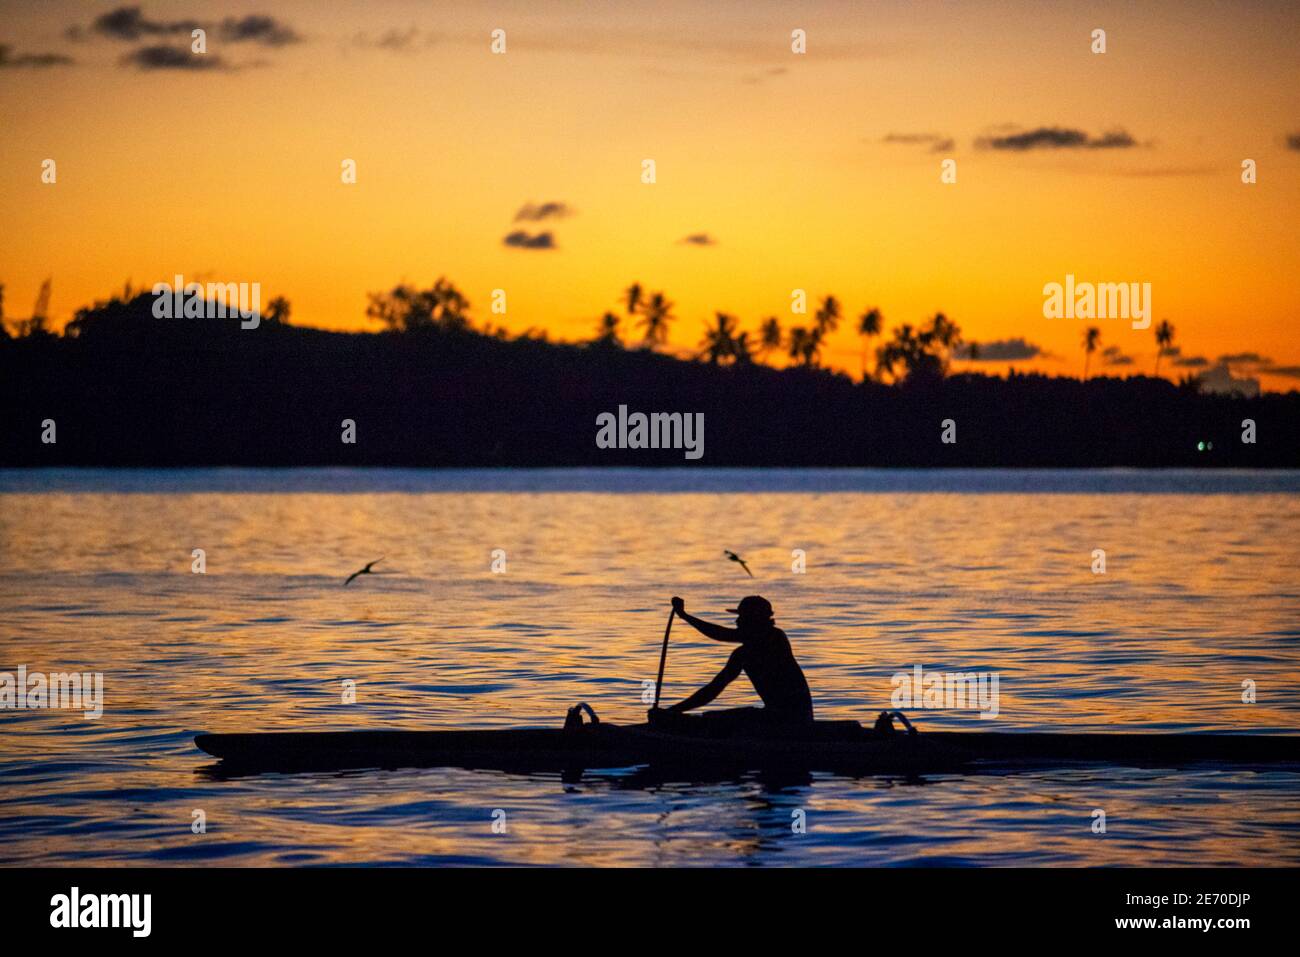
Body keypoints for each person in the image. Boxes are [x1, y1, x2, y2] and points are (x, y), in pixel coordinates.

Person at [650, 595, 814, 735]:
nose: (737, 621)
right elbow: (713, 689)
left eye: (742, 617)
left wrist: (685, 616)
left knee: (716, 720)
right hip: (774, 717)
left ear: (754, 620)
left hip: (793, 720)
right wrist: (673, 711)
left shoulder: (776, 638)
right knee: (712, 718)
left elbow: (723, 634)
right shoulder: (741, 655)